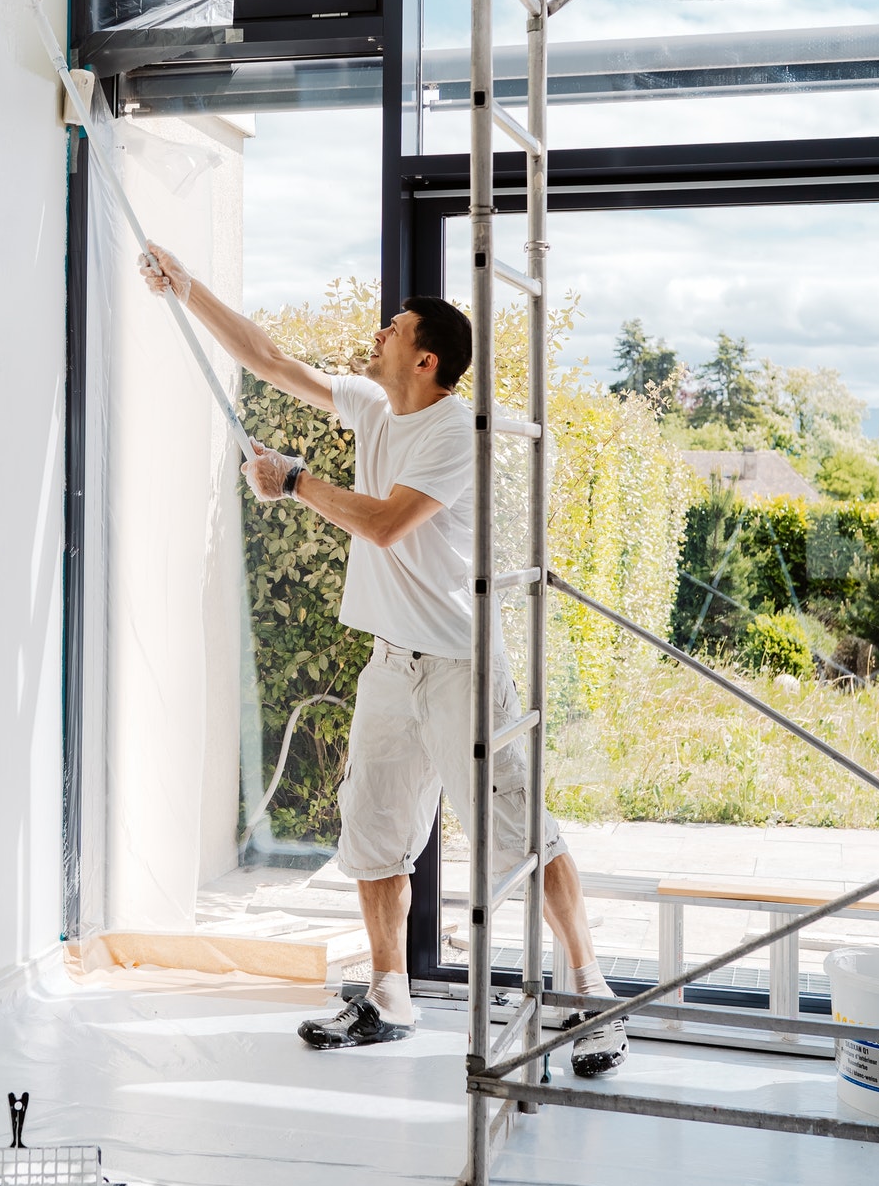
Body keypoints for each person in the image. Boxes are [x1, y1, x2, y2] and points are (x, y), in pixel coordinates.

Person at [138, 245, 627, 1077]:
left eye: (393, 329)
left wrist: (294, 482)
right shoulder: (371, 404)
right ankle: (389, 996)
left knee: (517, 833)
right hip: (390, 666)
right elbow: (270, 360)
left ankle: (591, 995)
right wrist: (187, 289)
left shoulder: (455, 432)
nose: (377, 334)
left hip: (461, 666)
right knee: (372, 831)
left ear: (425, 358)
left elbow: (387, 524)